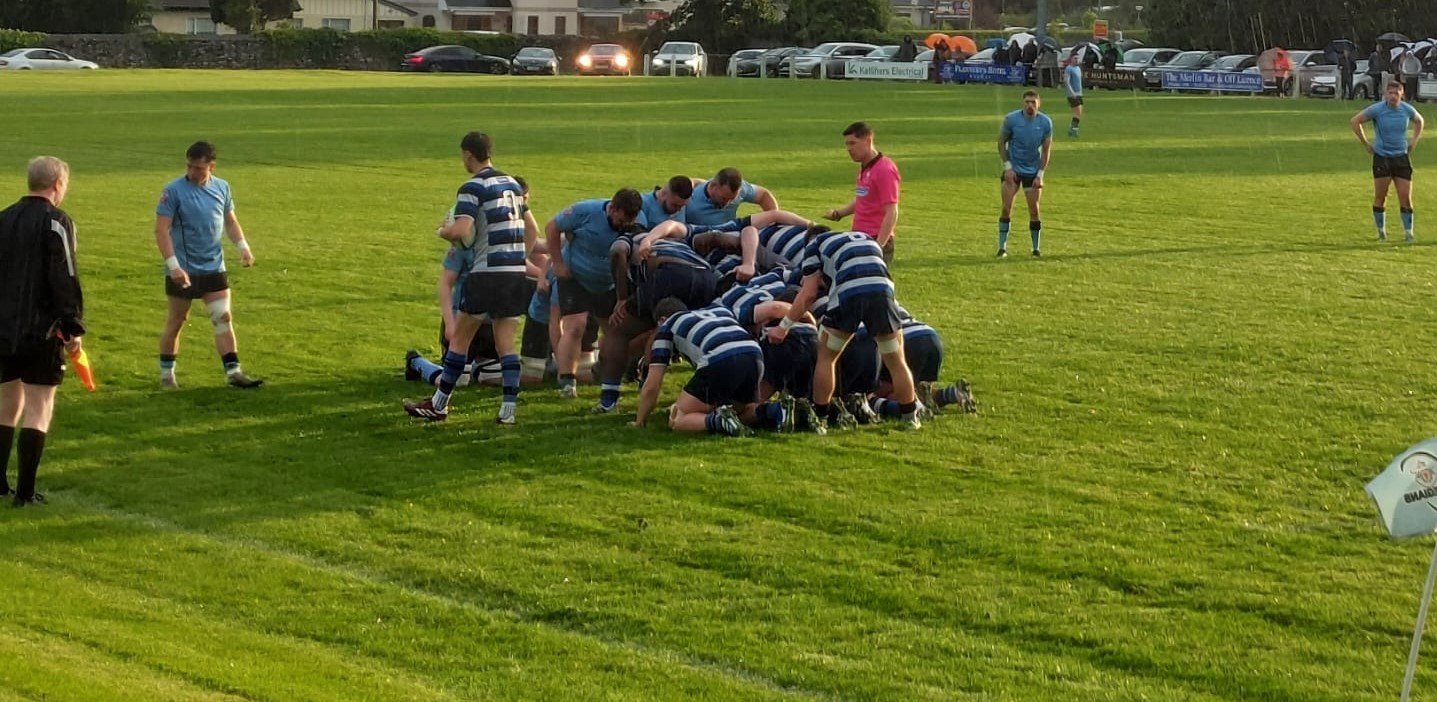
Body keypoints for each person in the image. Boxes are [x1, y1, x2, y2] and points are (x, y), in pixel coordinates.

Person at [404, 131, 529, 423]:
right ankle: (508, 412)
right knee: (507, 345)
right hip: (515, 272)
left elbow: (461, 231)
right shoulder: (511, 183)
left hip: (487, 273)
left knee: (460, 339)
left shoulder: (472, 186)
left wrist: (443, 232)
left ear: (467, 155)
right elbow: (531, 227)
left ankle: (439, 404)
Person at [766, 225, 924, 430]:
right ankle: (911, 418)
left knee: (827, 357)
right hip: (882, 294)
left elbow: (809, 293)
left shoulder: (814, 245)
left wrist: (783, 327)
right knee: (896, 360)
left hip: (848, 296)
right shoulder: (863, 236)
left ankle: (820, 419)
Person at [0, 157, 83, 507]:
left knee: (6, 405)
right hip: (41, 331)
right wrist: (72, 326)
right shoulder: (56, 223)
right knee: (39, 406)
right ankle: (25, 492)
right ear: (57, 185)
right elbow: (64, 277)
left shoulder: (3, 218)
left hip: (3, 330)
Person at [154, 141, 262, 389]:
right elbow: (161, 230)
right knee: (177, 320)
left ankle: (234, 373)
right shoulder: (173, 191)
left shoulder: (222, 188)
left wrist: (243, 247)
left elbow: (230, 221)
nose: (193, 172)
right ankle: (167, 375)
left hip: (214, 267)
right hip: (183, 271)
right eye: (190, 166)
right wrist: (173, 266)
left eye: (199, 168)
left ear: (211, 167)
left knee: (223, 318)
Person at [546, 189, 644, 407]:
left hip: (608, 283)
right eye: (621, 219)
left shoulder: (638, 221)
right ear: (613, 208)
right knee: (575, 326)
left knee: (616, 332)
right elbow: (553, 226)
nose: (624, 224)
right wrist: (558, 263)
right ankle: (566, 381)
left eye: (630, 220)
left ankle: (606, 372)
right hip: (576, 278)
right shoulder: (586, 211)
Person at [631, 300, 786, 436]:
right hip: (754, 354)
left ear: (661, 320)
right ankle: (777, 410)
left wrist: (639, 422)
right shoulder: (720, 309)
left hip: (720, 356)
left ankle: (717, 420)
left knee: (677, 418)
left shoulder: (667, 326)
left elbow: (652, 384)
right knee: (741, 411)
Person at [1351, 82, 1425, 242]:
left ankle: (1408, 233)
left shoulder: (1406, 110)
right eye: (1390, 93)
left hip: (1401, 157)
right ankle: (1381, 232)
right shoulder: (1377, 109)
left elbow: (1420, 121)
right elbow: (1355, 121)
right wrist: (1366, 144)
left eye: (1396, 93)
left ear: (1401, 95)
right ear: (1385, 94)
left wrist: (1413, 142)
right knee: (1381, 196)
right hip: (1382, 157)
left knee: (1405, 197)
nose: (1392, 96)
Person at [824, 122, 901, 265]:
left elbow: (892, 211)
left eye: (853, 143)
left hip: (876, 239)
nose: (849, 149)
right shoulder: (865, 168)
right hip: (860, 237)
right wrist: (838, 214)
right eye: (847, 144)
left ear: (868, 140)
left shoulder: (884, 169)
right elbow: (862, 198)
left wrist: (878, 246)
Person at [997, 91, 1054, 258]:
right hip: (1013, 171)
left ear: (1038, 104)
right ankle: (1002, 248)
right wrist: (1008, 167)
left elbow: (1046, 151)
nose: (1030, 105)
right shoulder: (1011, 120)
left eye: (1033, 103)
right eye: (1027, 102)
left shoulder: (1045, 123)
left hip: (1032, 172)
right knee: (1006, 208)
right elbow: (1001, 142)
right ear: (1023, 103)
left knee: (1034, 211)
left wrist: (1040, 175)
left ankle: (1035, 248)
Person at [684, 168, 778, 225]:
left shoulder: (742, 189)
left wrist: (774, 223)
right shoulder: (691, 200)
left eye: (732, 199)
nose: (727, 204)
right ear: (713, 186)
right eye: (724, 198)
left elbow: (763, 195)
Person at [1063, 57, 1084, 138]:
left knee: (1079, 113)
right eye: (1075, 58)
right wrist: (1072, 92)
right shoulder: (1069, 69)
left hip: (1079, 94)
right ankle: (1073, 130)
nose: (1077, 60)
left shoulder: (1078, 68)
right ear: (1071, 59)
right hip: (1072, 94)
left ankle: (1072, 129)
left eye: (1077, 58)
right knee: (1077, 112)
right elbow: (1066, 81)